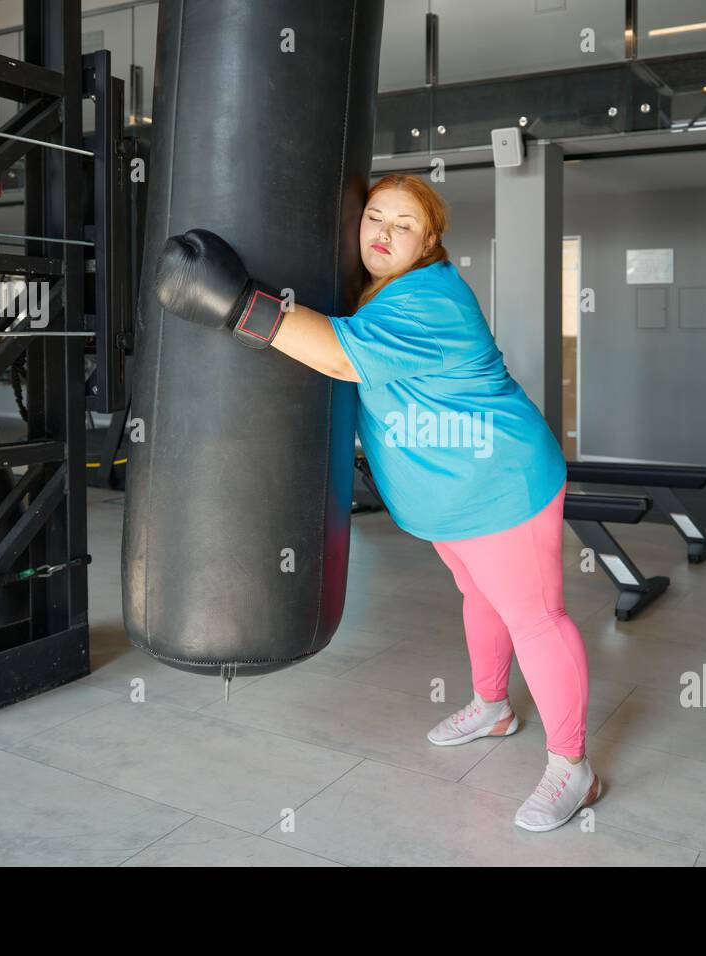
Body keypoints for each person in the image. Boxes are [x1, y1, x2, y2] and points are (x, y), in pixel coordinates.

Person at [152, 173, 599, 832]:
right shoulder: (381, 291)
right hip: (453, 499)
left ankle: (573, 767)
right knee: (482, 600)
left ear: (429, 241)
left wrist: (237, 301)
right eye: (375, 218)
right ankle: (492, 706)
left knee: (535, 618)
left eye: (405, 225)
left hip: (501, 484)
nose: (384, 233)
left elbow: (336, 357)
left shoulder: (428, 300)